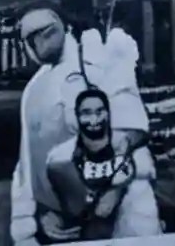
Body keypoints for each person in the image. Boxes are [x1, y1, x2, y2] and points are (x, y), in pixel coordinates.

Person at [9, 0, 159, 244]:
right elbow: (28, 165)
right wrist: (40, 213)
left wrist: (111, 194)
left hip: (119, 217)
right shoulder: (33, 89)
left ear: (65, 25)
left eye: (45, 31)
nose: (39, 41)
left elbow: (132, 131)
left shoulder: (98, 61)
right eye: (30, 37)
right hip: (63, 226)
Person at [46, 89, 162, 241]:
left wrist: (117, 189)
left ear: (108, 113)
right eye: (86, 113)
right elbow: (50, 203)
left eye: (100, 112)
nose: (94, 119)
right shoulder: (61, 157)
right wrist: (49, 217)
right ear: (77, 116)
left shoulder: (130, 149)